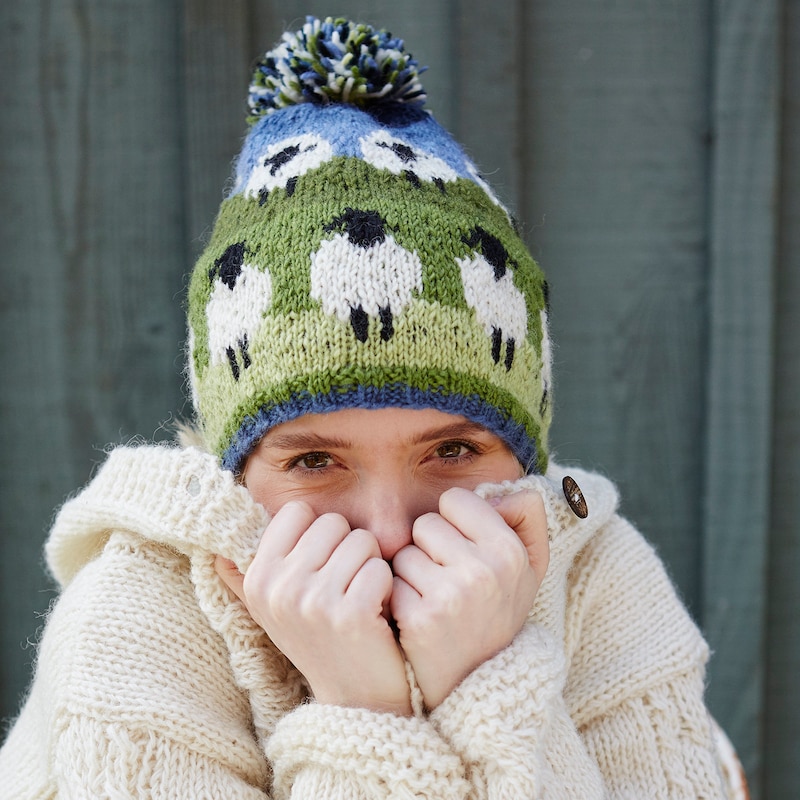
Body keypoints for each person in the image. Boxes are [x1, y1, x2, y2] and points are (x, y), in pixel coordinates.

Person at [0, 16, 730, 798]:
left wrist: (483, 679)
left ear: (527, 452)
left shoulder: (598, 579)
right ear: (237, 465)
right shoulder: (133, 629)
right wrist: (367, 712)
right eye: (314, 461)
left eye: (452, 450)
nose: (387, 528)